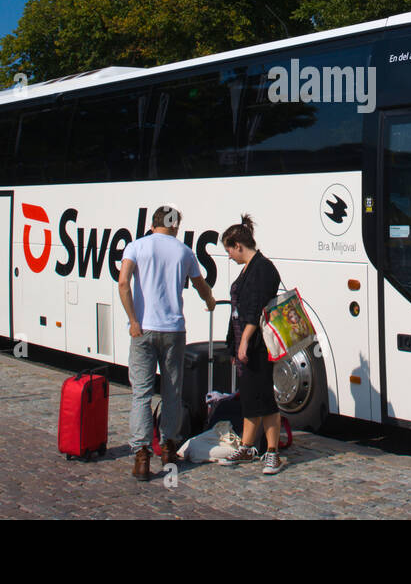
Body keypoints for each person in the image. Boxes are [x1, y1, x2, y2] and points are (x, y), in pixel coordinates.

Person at [118, 205, 216, 482]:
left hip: (143, 330)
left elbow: (123, 283)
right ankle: (169, 448)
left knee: (141, 393)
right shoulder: (184, 251)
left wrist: (133, 320)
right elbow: (200, 285)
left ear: (153, 223)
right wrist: (209, 302)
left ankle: (141, 456)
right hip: (173, 331)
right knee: (172, 392)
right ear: (175, 226)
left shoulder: (136, 247)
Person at [218, 214, 286, 475]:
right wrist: (233, 344)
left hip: (257, 346)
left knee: (264, 397)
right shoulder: (249, 268)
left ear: (238, 245)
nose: (229, 256)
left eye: (229, 250)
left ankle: (272, 452)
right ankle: (247, 445)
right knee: (249, 397)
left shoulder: (262, 268)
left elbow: (255, 311)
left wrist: (244, 343)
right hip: (244, 343)